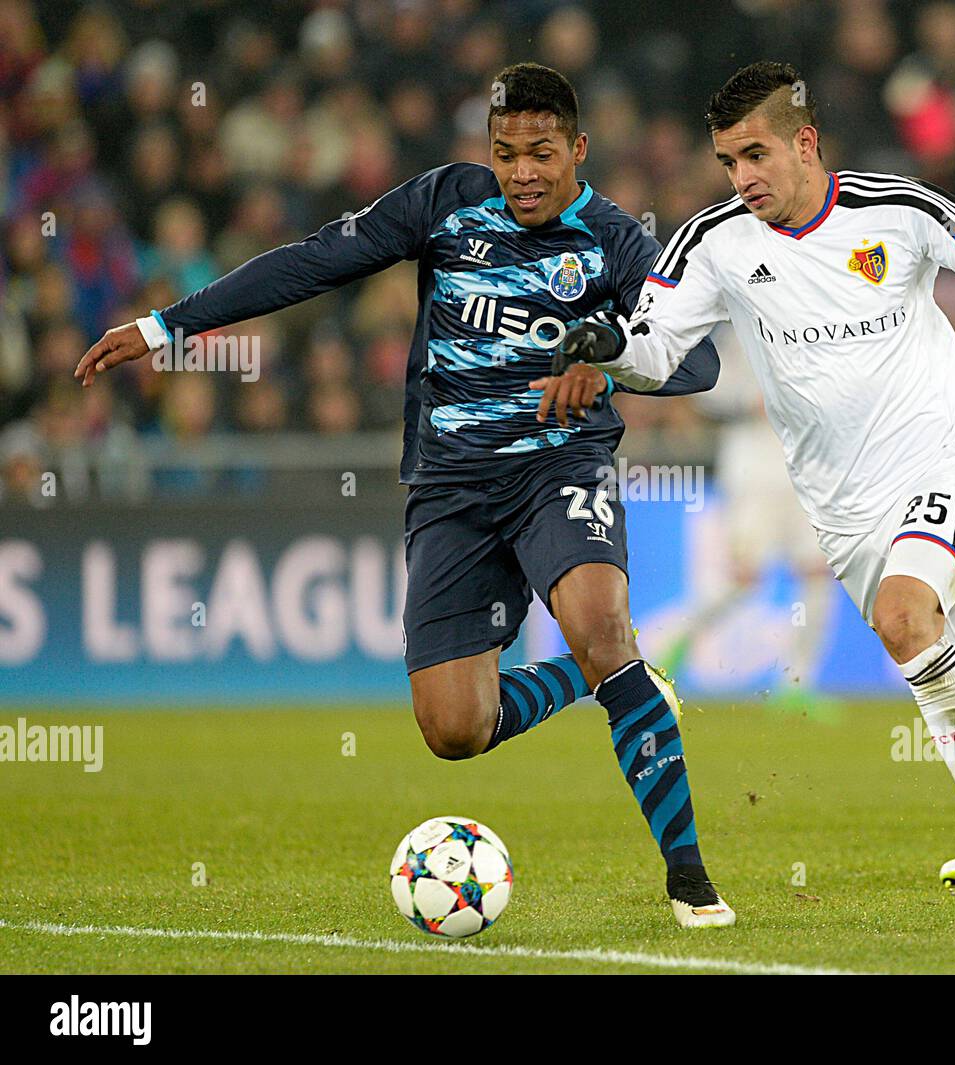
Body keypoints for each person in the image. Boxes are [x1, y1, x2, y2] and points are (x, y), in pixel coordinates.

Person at [75, 63, 734, 927]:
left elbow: (699, 362)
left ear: (578, 149)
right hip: (450, 485)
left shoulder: (616, 242)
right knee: (455, 729)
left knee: (603, 622)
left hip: (557, 469)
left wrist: (605, 351)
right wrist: (168, 324)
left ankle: (690, 878)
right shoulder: (447, 202)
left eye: (541, 153)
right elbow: (318, 261)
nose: (523, 172)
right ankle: (595, 674)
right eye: (506, 153)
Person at [541, 61, 955, 892]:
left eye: (757, 154)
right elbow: (656, 350)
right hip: (840, 498)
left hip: (944, 447)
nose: (744, 178)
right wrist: (608, 348)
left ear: (805, 142)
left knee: (908, 616)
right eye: (729, 162)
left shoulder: (899, 209)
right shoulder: (714, 241)